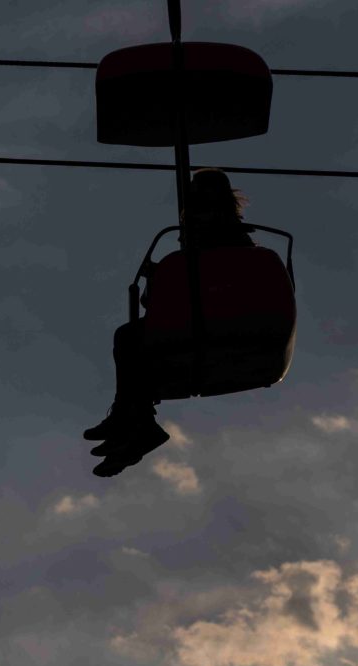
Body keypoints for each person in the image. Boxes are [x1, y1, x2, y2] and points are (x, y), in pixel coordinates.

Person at [84, 168, 256, 477]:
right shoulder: (220, 234)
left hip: (214, 323)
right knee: (134, 342)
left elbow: (220, 281)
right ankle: (132, 427)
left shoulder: (224, 236)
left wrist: (169, 271)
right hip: (205, 319)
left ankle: (133, 421)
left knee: (131, 339)